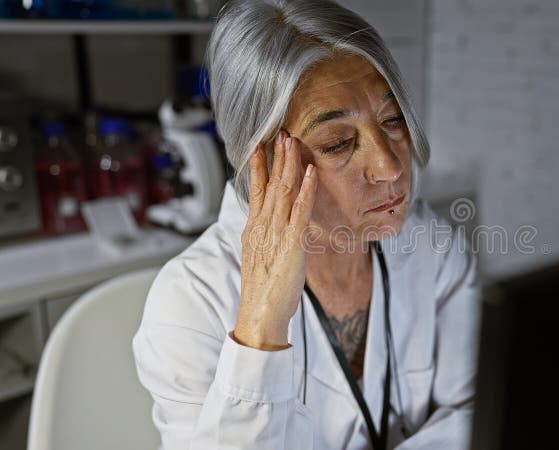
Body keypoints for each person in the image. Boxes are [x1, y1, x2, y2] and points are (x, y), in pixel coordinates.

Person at [132, 0, 481, 448]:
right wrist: (261, 332)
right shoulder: (189, 305)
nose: (390, 165)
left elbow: (475, 412)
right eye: (338, 143)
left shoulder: (435, 249)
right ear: (260, 158)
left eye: (392, 120)